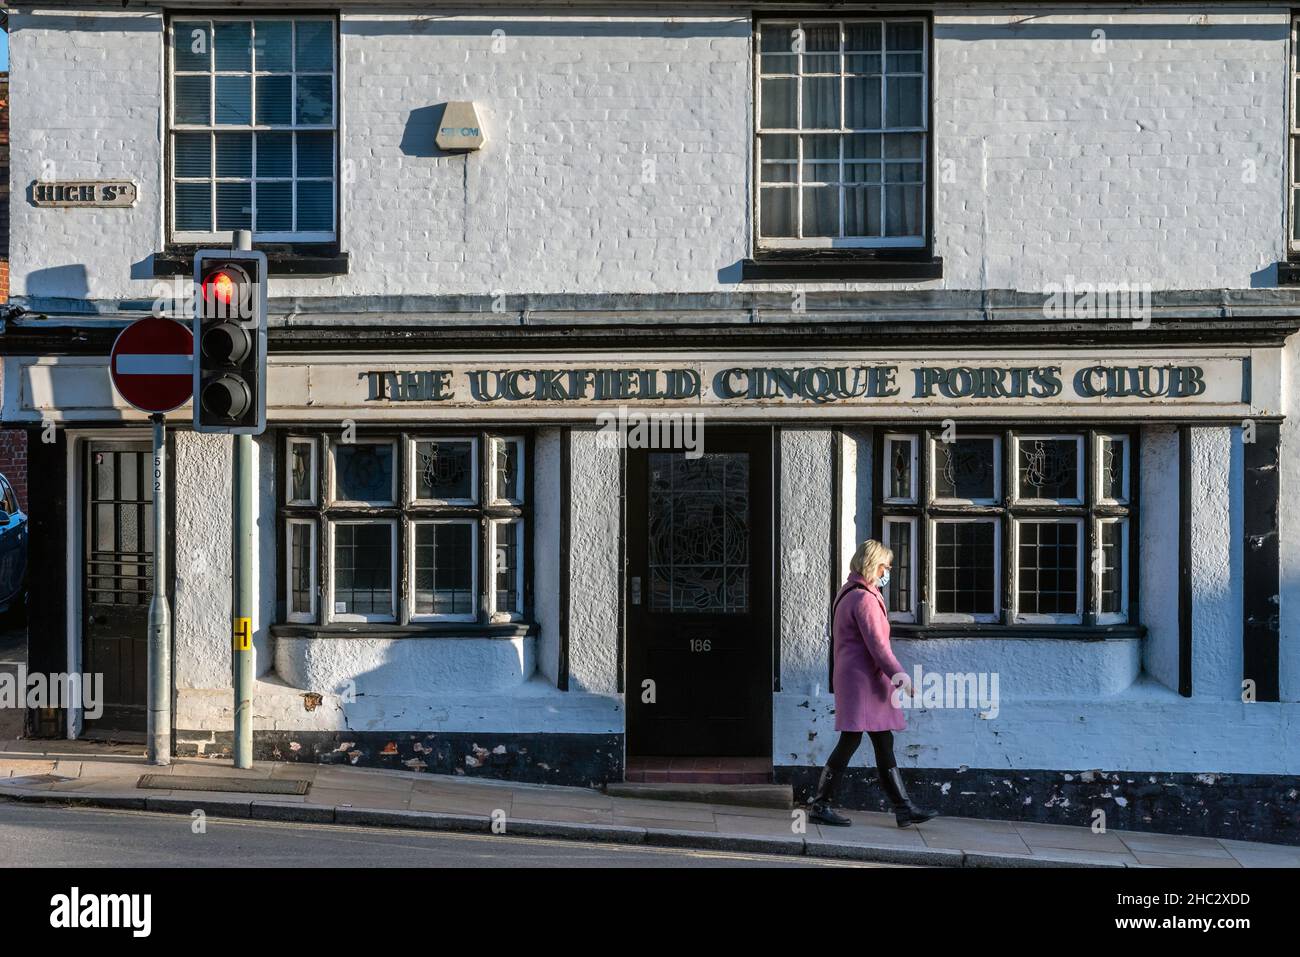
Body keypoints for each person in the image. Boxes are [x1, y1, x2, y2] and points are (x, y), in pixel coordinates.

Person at [807, 539, 938, 828]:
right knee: (852, 739)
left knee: (882, 739)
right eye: (885, 567)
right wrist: (901, 677)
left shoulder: (849, 592)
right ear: (873, 565)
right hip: (863, 681)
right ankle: (821, 804)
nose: (887, 572)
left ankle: (903, 808)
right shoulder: (864, 599)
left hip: (858, 679)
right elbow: (879, 647)